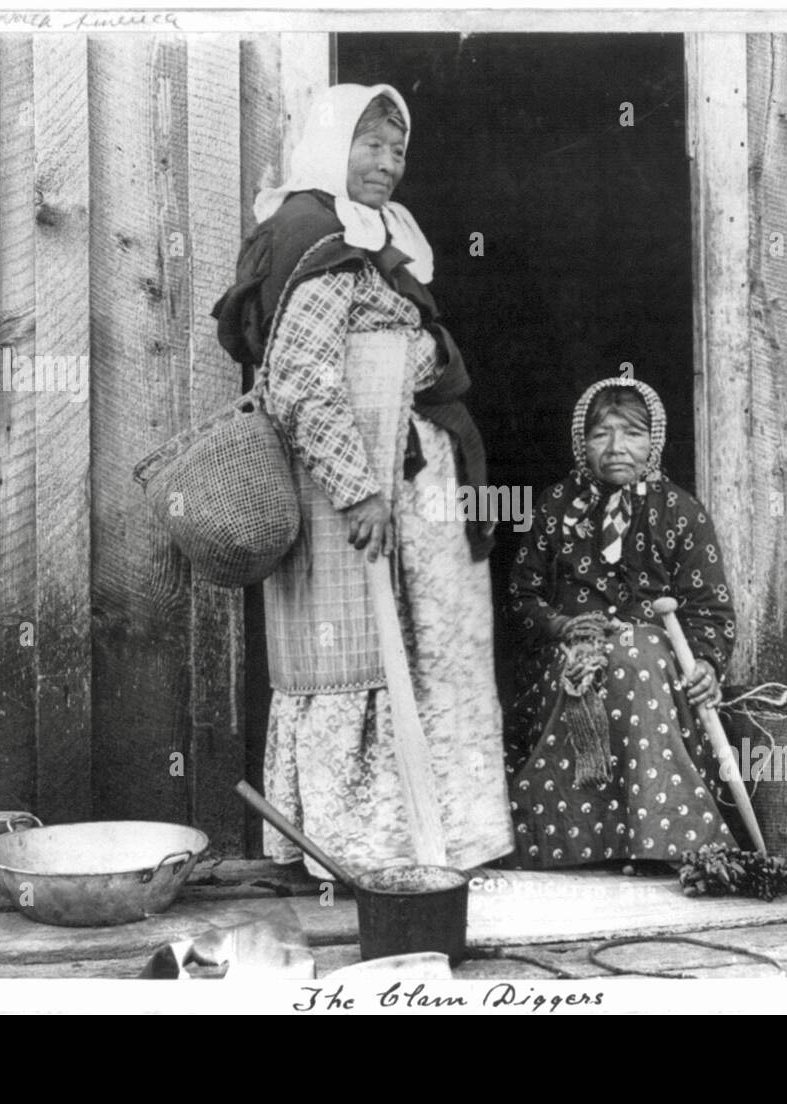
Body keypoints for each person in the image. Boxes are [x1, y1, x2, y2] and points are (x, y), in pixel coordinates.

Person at [219, 84, 513, 875]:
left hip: (410, 472)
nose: (386, 163)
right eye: (369, 145)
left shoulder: (379, 234)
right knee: (359, 648)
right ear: (329, 145)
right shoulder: (311, 233)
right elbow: (305, 380)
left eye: (397, 150)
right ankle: (366, 847)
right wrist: (359, 491)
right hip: (355, 484)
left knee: (421, 649)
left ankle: (431, 837)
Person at [502, 377, 737, 868]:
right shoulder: (554, 508)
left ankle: (664, 838)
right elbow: (521, 598)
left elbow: (710, 608)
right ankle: (580, 841)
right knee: (599, 665)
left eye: (631, 433)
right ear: (580, 442)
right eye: (600, 434)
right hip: (569, 655)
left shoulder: (680, 511)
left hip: (657, 665)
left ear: (654, 440)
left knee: (639, 653)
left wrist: (708, 667)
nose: (615, 448)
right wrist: (564, 627)